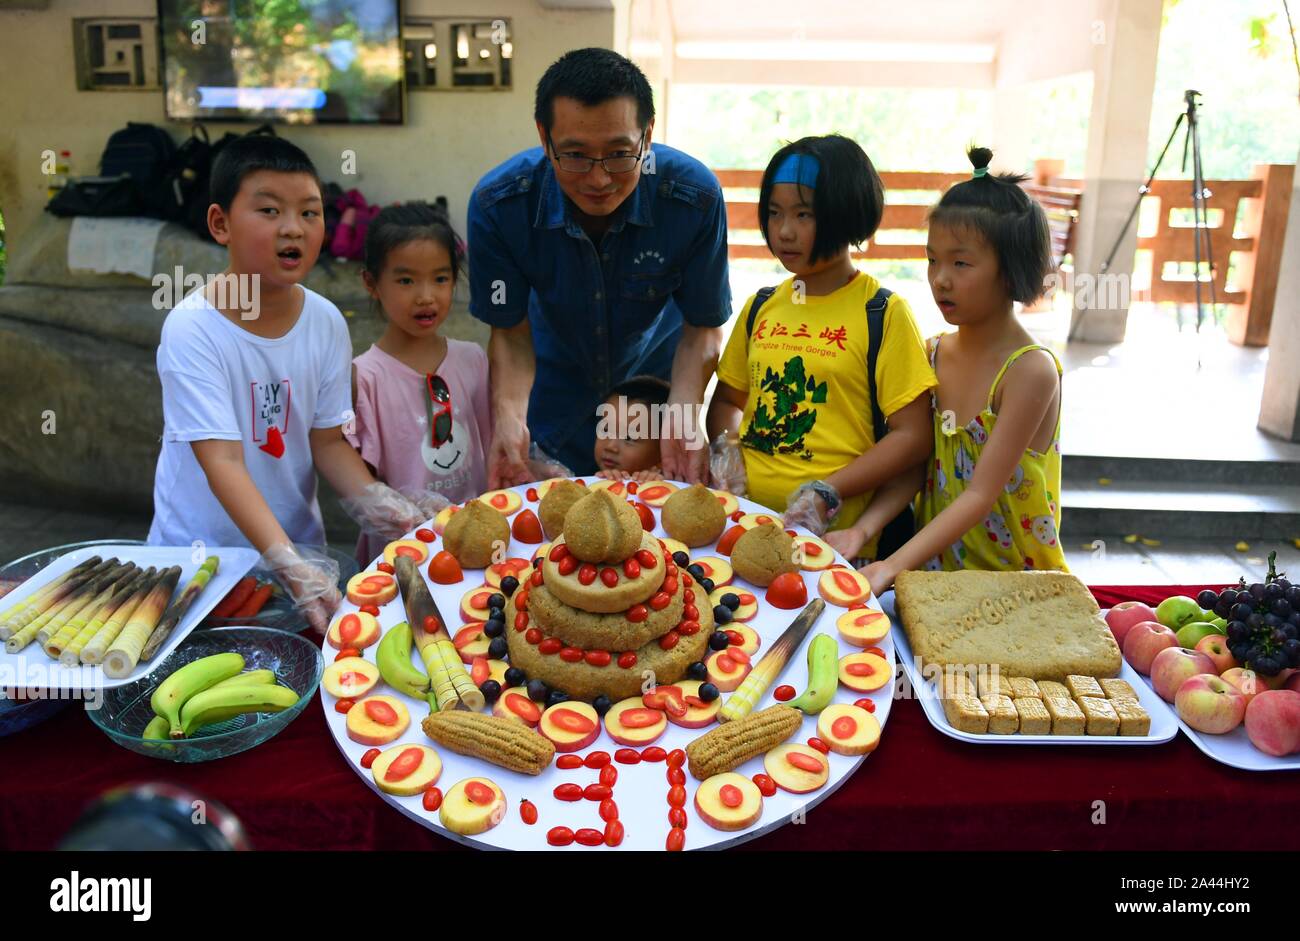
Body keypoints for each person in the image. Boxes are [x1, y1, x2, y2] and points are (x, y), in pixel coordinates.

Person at [147, 136, 433, 631]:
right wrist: (285, 559)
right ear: (220, 224)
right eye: (269, 210)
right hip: (198, 564)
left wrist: (376, 499)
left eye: (309, 213)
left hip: (299, 559)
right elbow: (223, 460)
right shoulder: (192, 329)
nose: (293, 229)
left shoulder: (325, 322)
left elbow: (326, 441)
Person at [467, 47, 731, 485]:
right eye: (574, 155)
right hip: (552, 398)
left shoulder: (692, 197)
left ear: (647, 134)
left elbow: (701, 327)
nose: (598, 178)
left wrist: (684, 417)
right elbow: (510, 336)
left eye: (618, 153)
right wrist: (509, 421)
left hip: (651, 408)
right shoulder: (500, 205)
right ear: (543, 136)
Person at [846, 146, 1065, 594]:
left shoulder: (1029, 371)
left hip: (1016, 588)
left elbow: (980, 494)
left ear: (1012, 269)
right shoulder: (931, 353)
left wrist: (890, 567)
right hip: (937, 584)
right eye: (932, 259)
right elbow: (915, 465)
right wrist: (862, 531)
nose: (940, 278)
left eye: (961, 262)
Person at [705, 135, 936, 555]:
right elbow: (728, 401)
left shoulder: (882, 313)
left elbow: (914, 437)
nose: (784, 231)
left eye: (803, 214)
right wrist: (727, 448)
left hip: (834, 543)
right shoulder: (761, 306)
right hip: (746, 529)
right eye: (774, 213)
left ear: (846, 214)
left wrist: (827, 491)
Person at [346, 202, 491, 566]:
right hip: (404, 552)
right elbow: (361, 481)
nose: (426, 296)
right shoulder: (365, 376)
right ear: (371, 283)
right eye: (406, 280)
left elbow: (491, 450)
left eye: (440, 279)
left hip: (475, 543)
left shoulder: (472, 358)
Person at [593, 374, 670, 480]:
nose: (610, 446)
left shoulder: (667, 488)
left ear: (663, 452)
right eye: (605, 430)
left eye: (629, 438)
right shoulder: (594, 481)